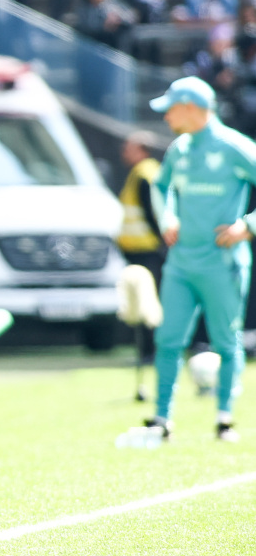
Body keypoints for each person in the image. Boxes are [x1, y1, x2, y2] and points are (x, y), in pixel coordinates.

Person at [144, 76, 256, 442]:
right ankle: (162, 419)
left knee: (226, 342)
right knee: (167, 339)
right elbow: (161, 188)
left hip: (222, 262)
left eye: (170, 109)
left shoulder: (233, 146)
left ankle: (224, 420)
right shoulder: (179, 148)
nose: (165, 117)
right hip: (181, 262)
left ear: (192, 108)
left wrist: (247, 226)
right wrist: (167, 217)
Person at [116, 131, 166, 380]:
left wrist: (161, 245)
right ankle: (147, 351)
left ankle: (152, 351)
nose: (124, 152)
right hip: (139, 250)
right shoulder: (140, 172)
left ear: (142, 149)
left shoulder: (146, 173)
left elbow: (152, 213)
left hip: (148, 251)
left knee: (149, 302)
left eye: (129, 147)